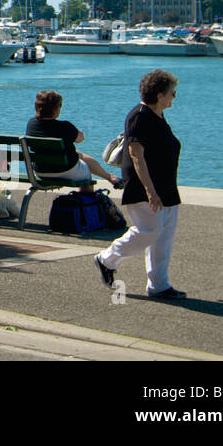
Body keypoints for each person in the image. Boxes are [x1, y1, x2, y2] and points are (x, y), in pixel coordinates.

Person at [94, 70, 185, 299]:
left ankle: (159, 285)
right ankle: (106, 259)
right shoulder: (139, 116)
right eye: (171, 92)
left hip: (166, 188)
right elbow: (136, 154)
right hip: (144, 188)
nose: (174, 96)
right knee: (149, 231)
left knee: (164, 237)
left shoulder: (158, 115)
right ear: (158, 94)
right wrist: (149, 190)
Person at [26, 90, 122, 190]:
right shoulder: (65, 126)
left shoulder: (31, 124)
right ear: (54, 109)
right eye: (60, 105)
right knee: (85, 170)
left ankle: (110, 177)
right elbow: (80, 138)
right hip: (66, 170)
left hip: (40, 171)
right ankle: (87, 201)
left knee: (78, 155)